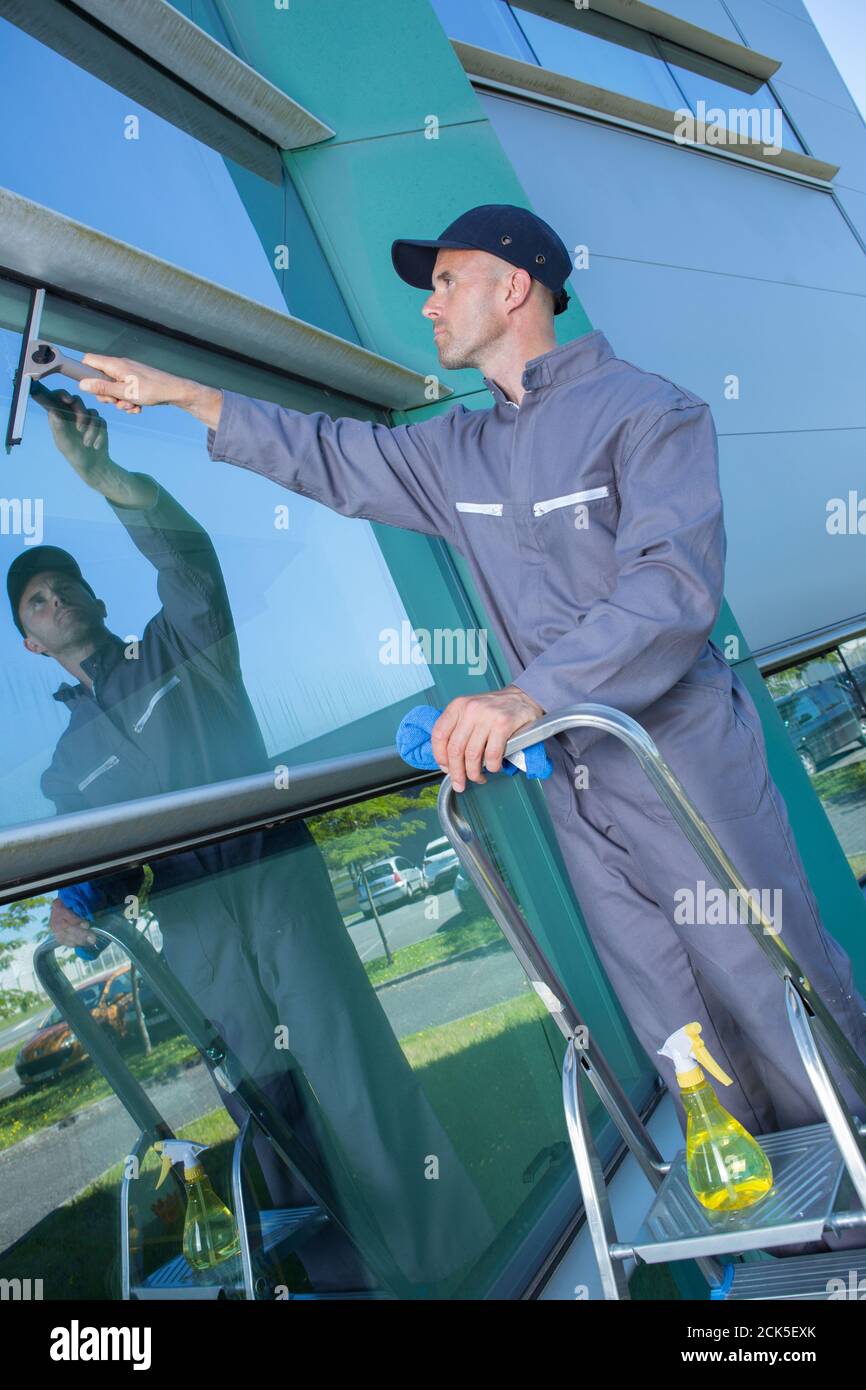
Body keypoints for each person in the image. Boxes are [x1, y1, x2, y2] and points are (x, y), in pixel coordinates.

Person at [75, 202, 866, 1250]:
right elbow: (330, 456)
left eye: (446, 279)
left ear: (514, 288)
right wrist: (188, 396)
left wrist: (521, 694)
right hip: (571, 785)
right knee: (665, 1013)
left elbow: (670, 588)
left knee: (761, 981)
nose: (427, 300)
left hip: (675, 764)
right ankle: (766, 1232)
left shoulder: (649, 412)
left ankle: (853, 1214)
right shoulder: (455, 451)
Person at [8, 381, 495, 1291]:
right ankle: (337, 1282)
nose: (57, 597)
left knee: (352, 1076)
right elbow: (100, 870)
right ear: (30, 643)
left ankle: (450, 1268)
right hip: (196, 932)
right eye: (35, 600)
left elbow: (189, 561)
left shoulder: (177, 650)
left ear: (95, 598)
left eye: (66, 582)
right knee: (265, 1111)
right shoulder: (66, 766)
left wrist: (106, 474)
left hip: (272, 883)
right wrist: (76, 899)